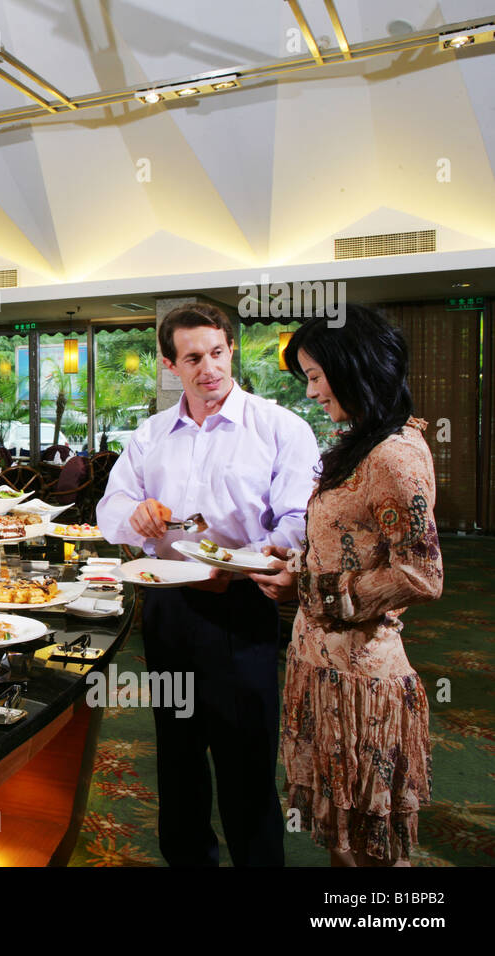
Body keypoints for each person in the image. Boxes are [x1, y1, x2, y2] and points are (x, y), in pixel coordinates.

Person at [96, 302, 320, 866]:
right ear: (171, 365)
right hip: (169, 607)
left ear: (230, 350)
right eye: (193, 358)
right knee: (177, 759)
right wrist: (136, 515)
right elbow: (111, 506)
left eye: (216, 353)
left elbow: (297, 519)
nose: (208, 369)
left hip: (242, 607)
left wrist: (250, 557)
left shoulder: (280, 427)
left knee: (247, 763)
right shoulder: (149, 435)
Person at [248, 306, 442, 866]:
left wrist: (308, 587)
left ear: (352, 367)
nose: (309, 393)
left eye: (313, 376)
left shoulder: (395, 455)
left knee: (370, 846)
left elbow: (420, 573)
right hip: (324, 667)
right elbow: (352, 543)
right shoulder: (364, 442)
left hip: (361, 679)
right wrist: (299, 557)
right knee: (344, 841)